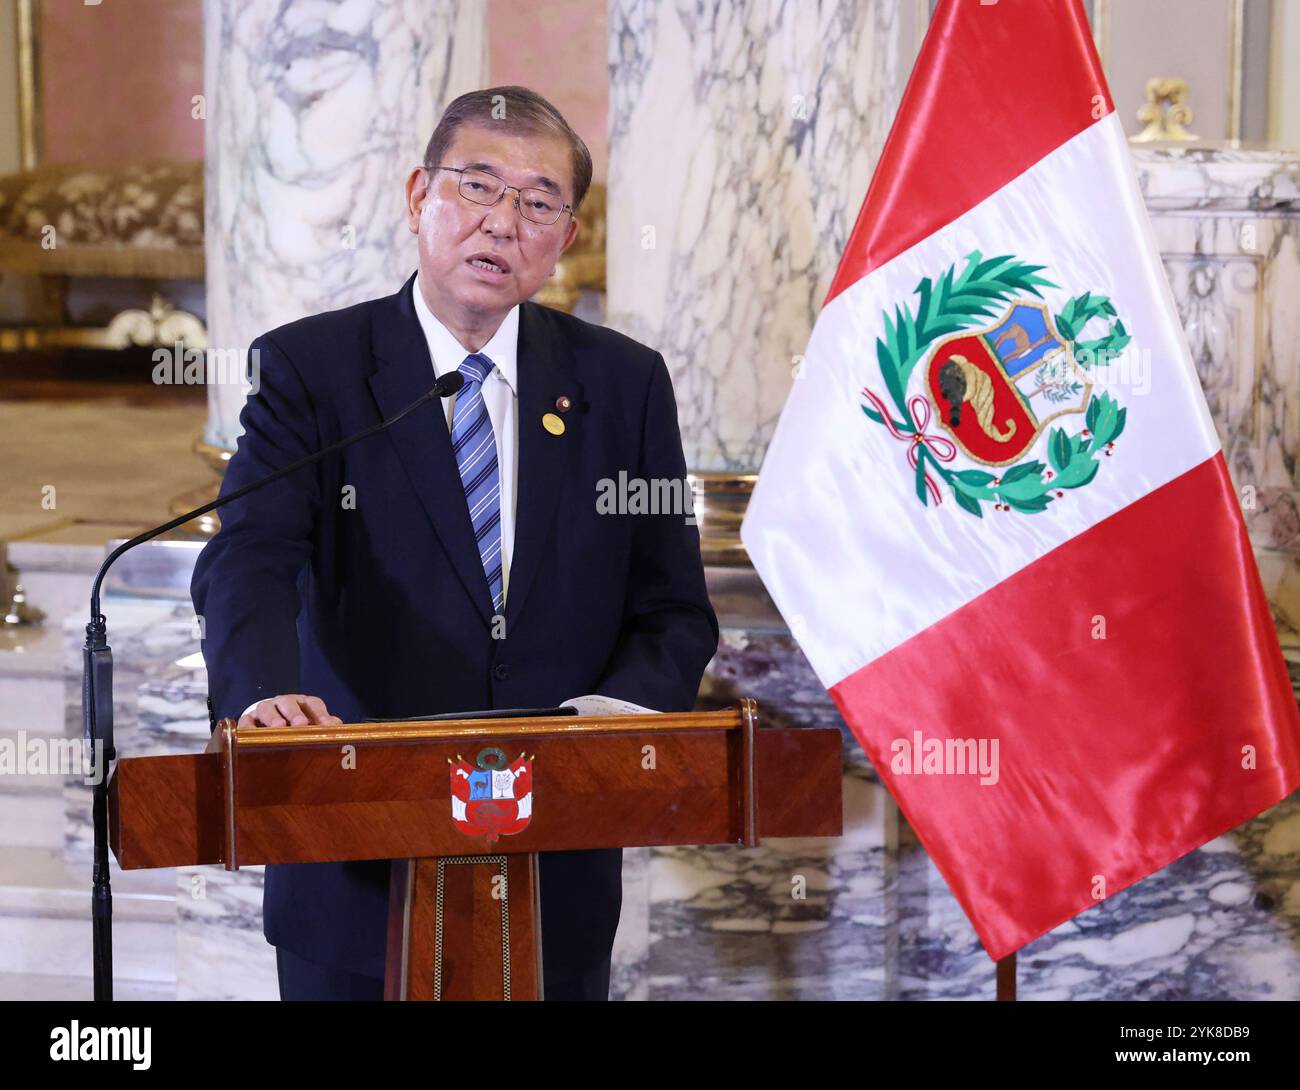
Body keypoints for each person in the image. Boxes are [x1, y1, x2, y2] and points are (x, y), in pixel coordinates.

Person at [191, 85, 718, 1001]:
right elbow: (250, 557)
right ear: (416, 198)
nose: (503, 222)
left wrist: (610, 725)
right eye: (477, 186)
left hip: (555, 868)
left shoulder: (624, 384)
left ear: (566, 239)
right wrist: (265, 696)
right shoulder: (312, 370)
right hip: (352, 856)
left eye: (538, 202)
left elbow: (673, 607)